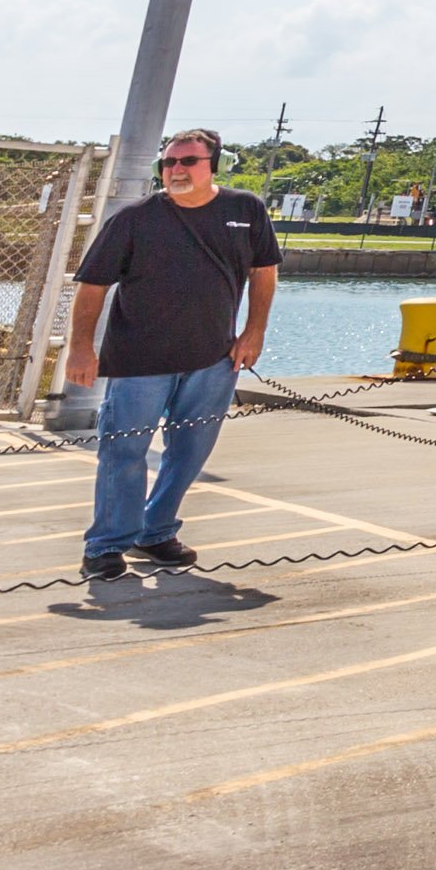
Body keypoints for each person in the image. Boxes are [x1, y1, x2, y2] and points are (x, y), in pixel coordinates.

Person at [70, 128, 281, 582]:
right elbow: (93, 286)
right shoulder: (134, 219)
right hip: (138, 361)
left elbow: (264, 272)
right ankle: (106, 545)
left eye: (188, 161)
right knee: (123, 452)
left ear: (214, 165)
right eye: (169, 163)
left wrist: (254, 332)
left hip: (214, 359)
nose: (176, 170)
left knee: (189, 453)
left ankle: (156, 531)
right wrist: (81, 349)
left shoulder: (246, 210)